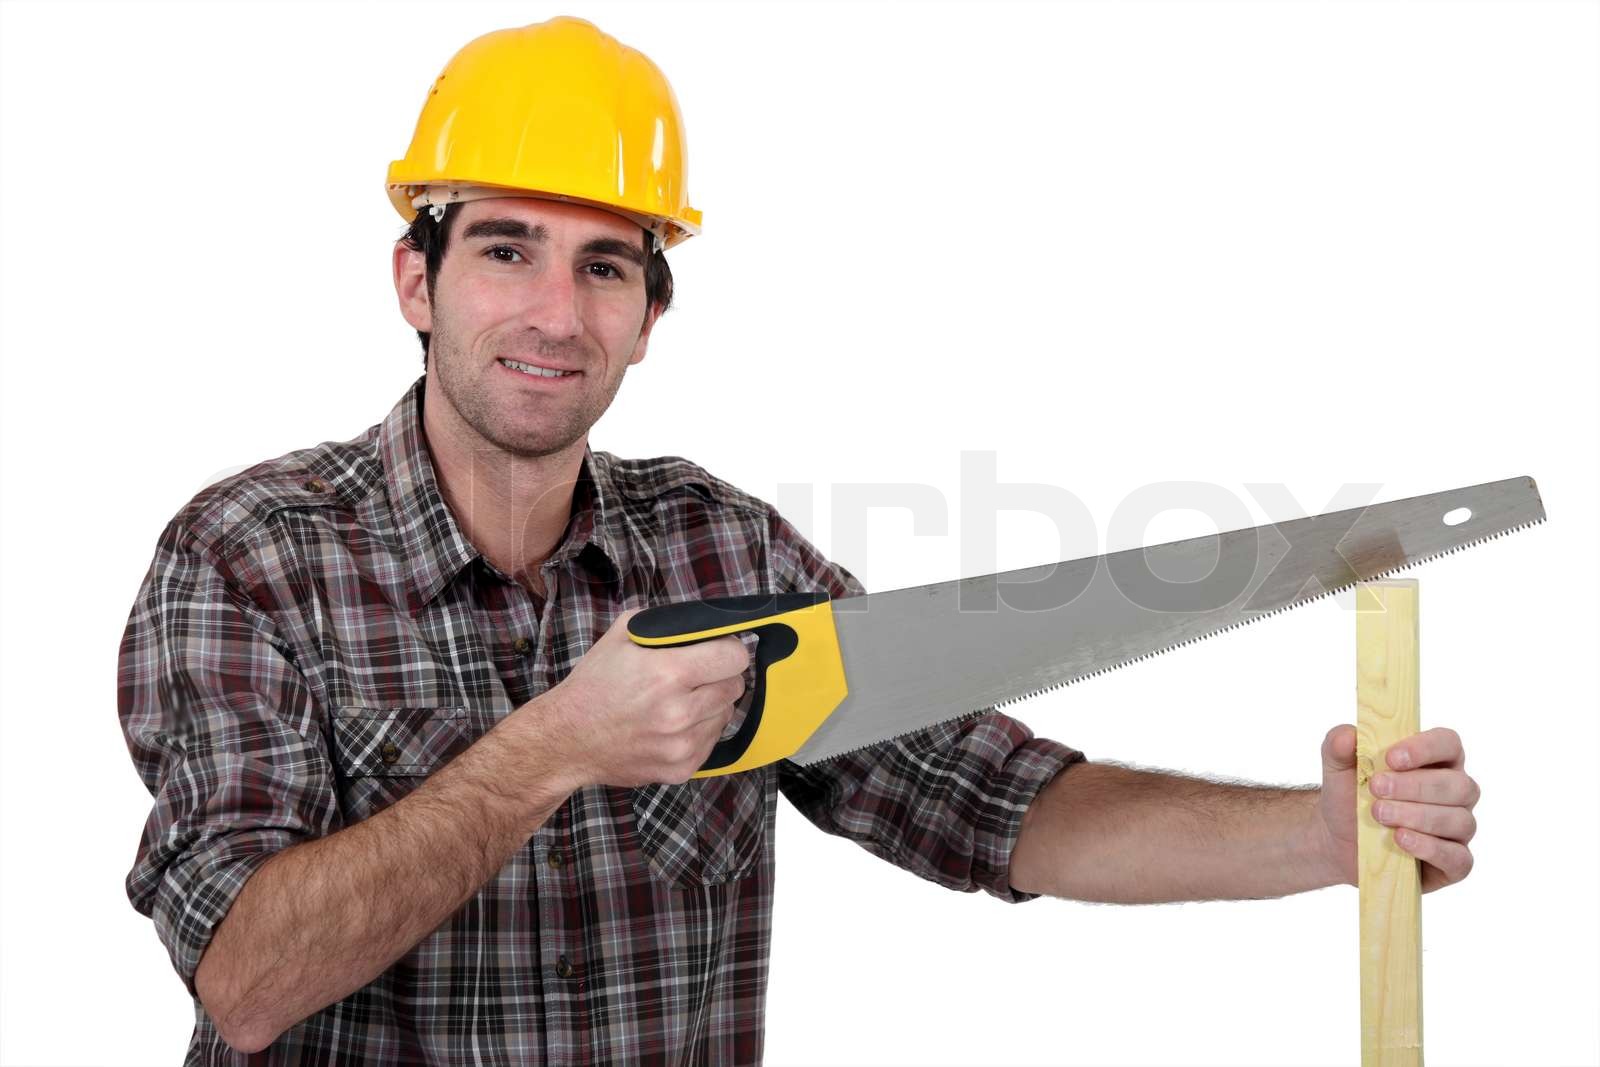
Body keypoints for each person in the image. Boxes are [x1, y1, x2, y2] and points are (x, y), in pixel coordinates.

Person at [117, 16, 1483, 1064]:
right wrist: (556, 747)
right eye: (506, 249)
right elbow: (243, 981)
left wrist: (1322, 837)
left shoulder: (719, 551)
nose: (554, 312)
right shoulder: (250, 558)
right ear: (416, 278)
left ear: (651, 316)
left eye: (606, 266)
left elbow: (992, 805)